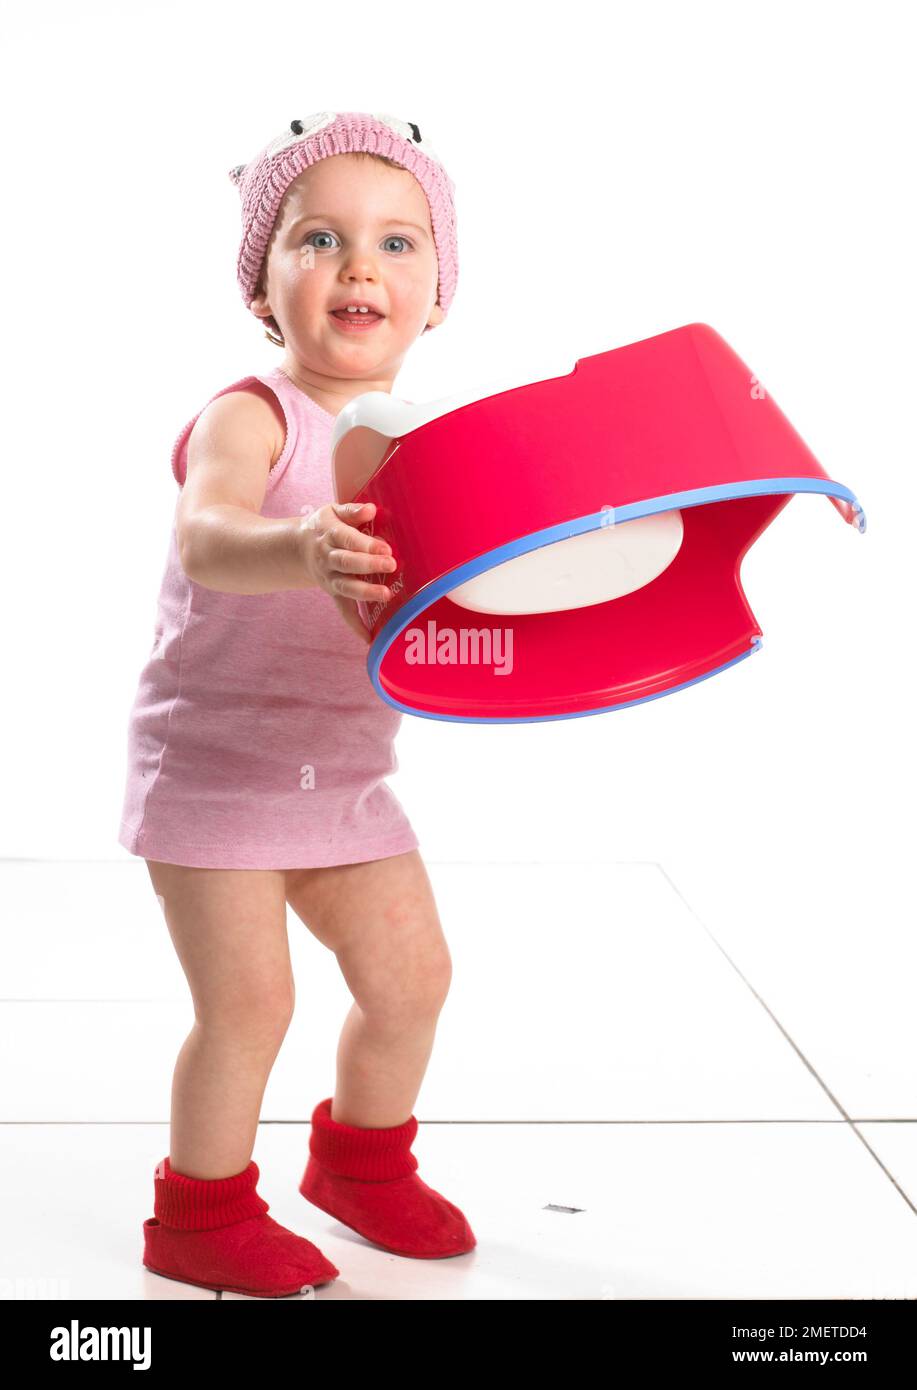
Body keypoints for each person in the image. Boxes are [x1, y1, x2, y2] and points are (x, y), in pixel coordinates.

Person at [118, 111, 475, 1297]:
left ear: (438, 294)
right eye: (317, 238)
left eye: (397, 242)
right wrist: (302, 549)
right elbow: (209, 534)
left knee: (413, 977)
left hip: (343, 775)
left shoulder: (429, 444)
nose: (359, 265)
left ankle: (361, 1165)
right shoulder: (253, 413)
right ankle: (198, 1215)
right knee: (250, 1005)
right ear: (264, 291)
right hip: (216, 772)